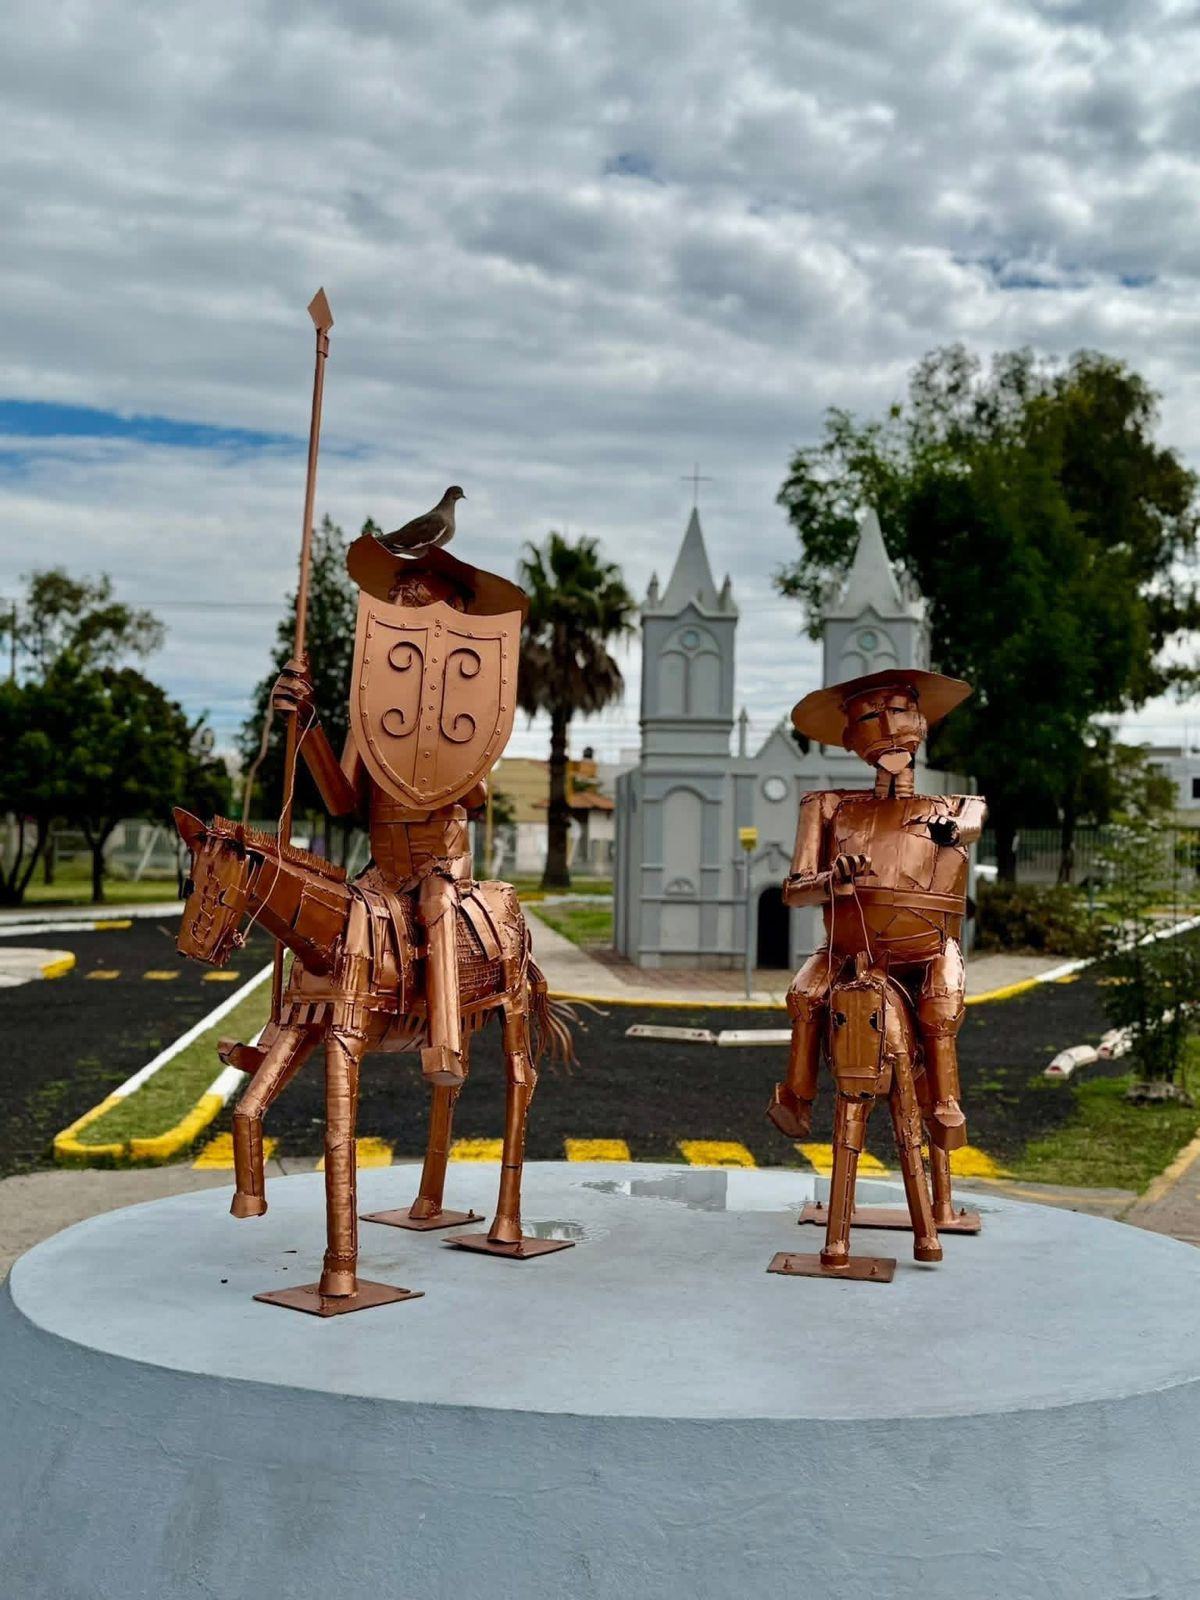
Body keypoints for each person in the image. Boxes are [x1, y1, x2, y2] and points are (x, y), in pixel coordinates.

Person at [766, 667, 987, 1151]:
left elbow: (967, 825)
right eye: (869, 716)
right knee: (804, 995)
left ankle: (946, 1105)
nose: (887, 727)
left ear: (921, 720)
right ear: (849, 737)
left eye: (898, 710)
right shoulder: (826, 806)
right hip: (850, 953)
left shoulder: (957, 805)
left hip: (928, 952)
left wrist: (949, 829)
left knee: (940, 1009)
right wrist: (832, 879)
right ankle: (797, 1096)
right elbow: (795, 889)